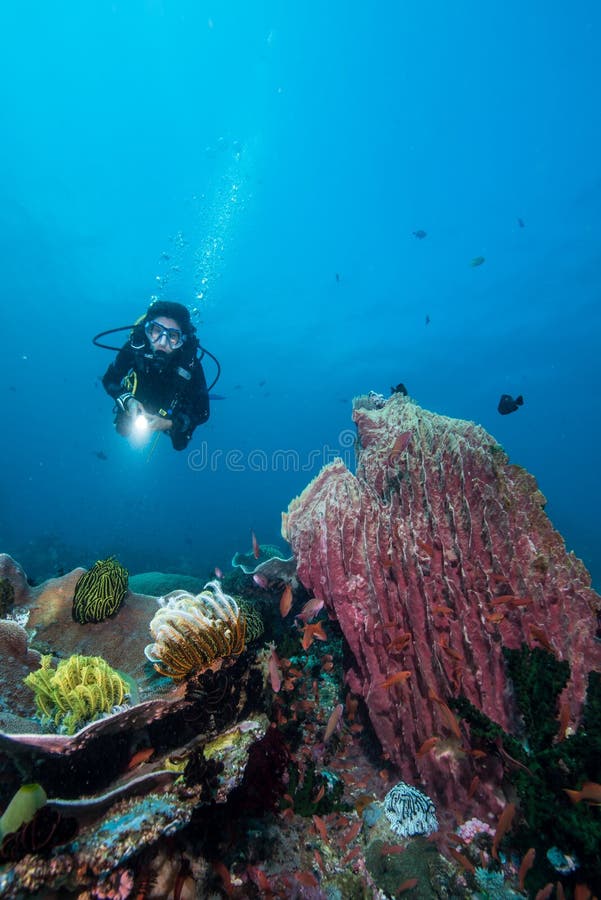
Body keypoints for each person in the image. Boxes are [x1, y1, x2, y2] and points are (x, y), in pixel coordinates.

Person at [102, 300, 210, 451]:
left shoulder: (189, 364)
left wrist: (171, 423)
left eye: (172, 336)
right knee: (122, 430)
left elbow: (203, 412)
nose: (163, 342)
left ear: (181, 340)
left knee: (180, 444)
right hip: (136, 400)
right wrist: (127, 400)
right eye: (157, 331)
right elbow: (109, 379)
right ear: (147, 330)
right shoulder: (135, 348)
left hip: (171, 410)